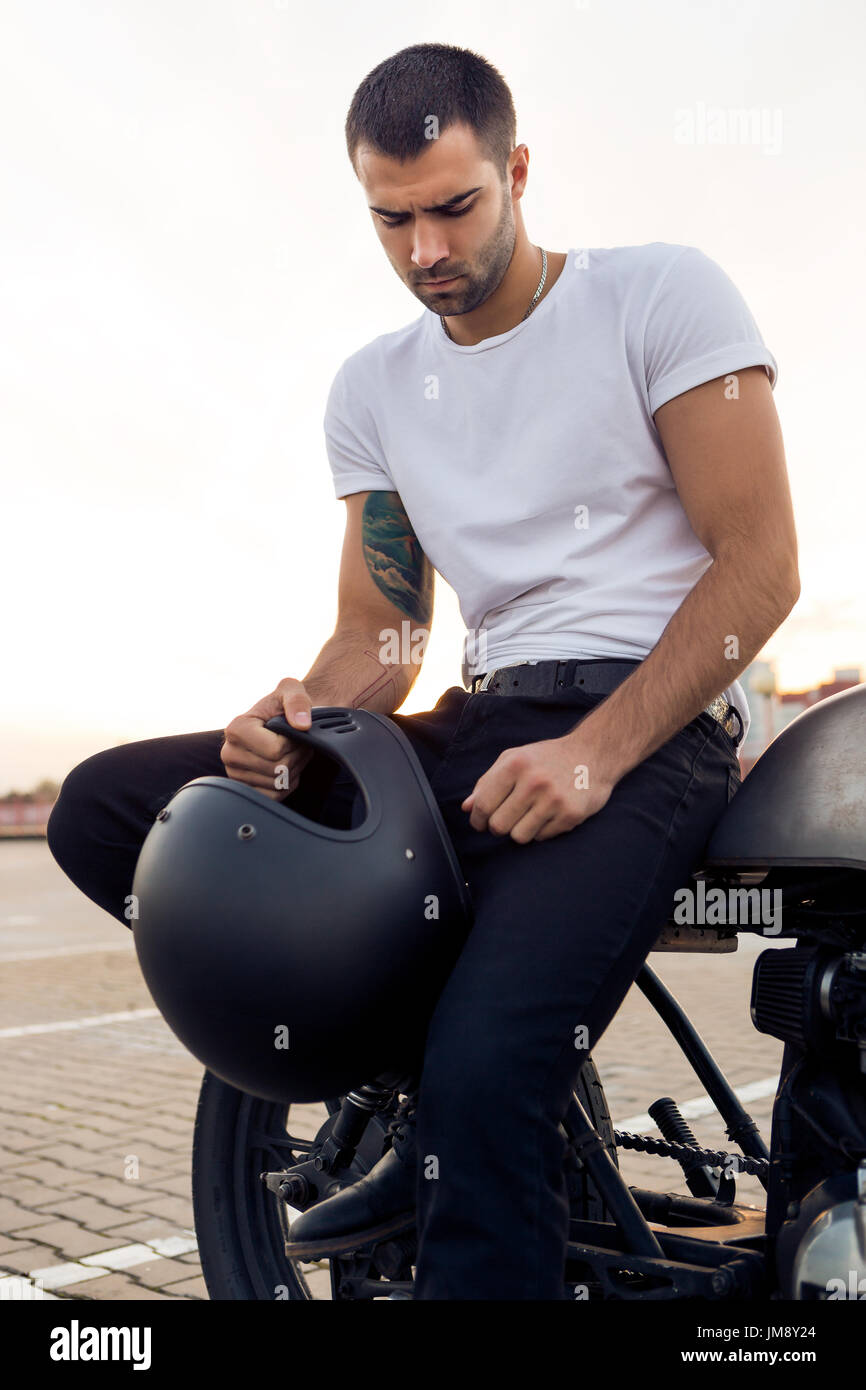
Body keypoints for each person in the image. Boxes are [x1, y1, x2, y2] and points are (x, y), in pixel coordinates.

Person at [47, 41, 800, 1300]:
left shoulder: (661, 295)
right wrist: (298, 722)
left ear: (515, 170)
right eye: (389, 220)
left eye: (453, 206)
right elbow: (385, 630)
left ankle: (457, 1109)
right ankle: (407, 1092)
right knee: (110, 810)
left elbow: (760, 567)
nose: (423, 252)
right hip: (471, 728)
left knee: (489, 1072)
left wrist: (595, 750)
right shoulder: (374, 387)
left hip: (640, 733)